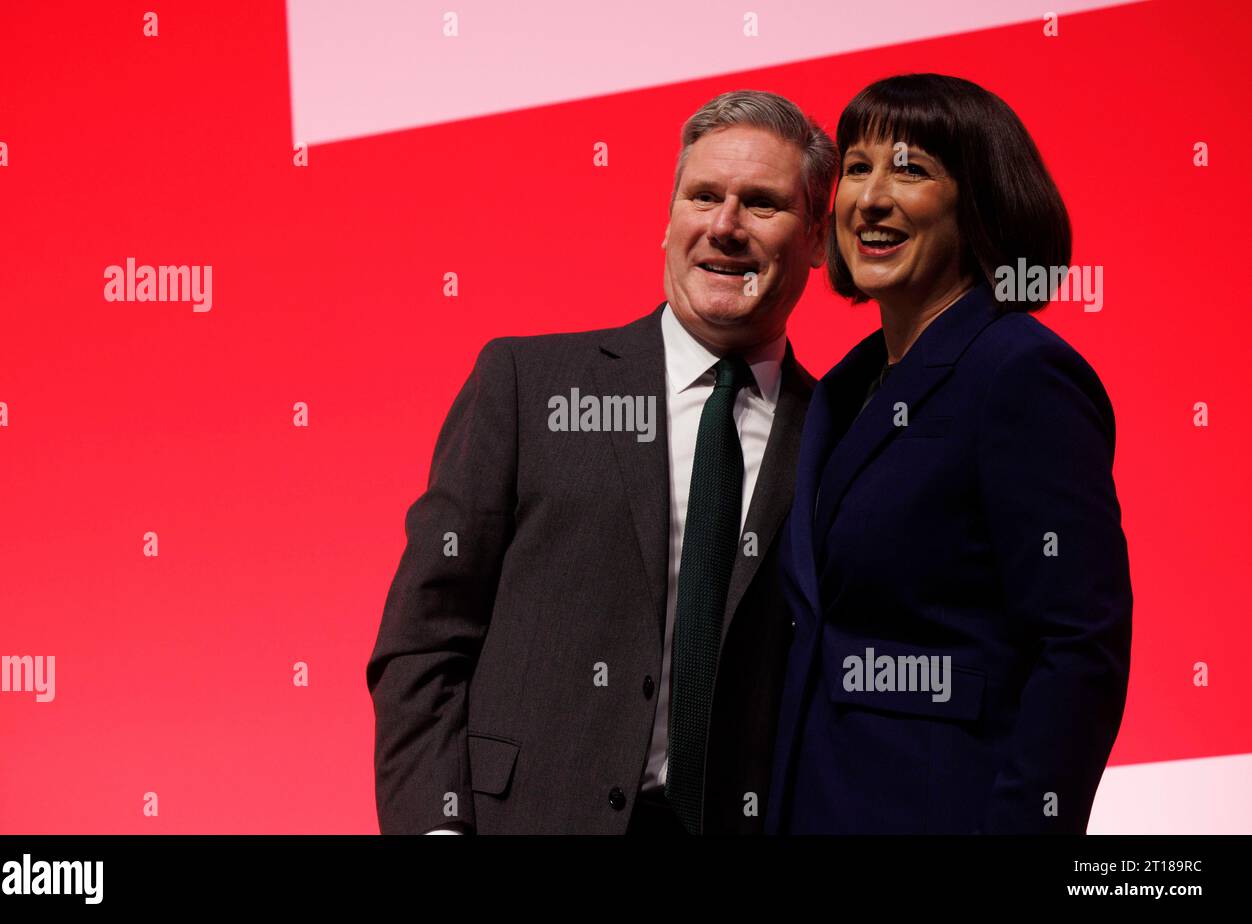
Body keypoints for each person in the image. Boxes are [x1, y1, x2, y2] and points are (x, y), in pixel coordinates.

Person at [367, 90, 837, 834]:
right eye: (703, 195)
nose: (724, 226)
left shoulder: (839, 434)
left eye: (762, 204)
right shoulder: (529, 384)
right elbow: (426, 634)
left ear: (817, 240)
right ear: (669, 217)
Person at [766, 74, 1132, 834]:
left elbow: (1080, 646)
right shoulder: (840, 391)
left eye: (910, 168)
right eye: (857, 168)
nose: (868, 197)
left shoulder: (1019, 374)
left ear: (981, 203)